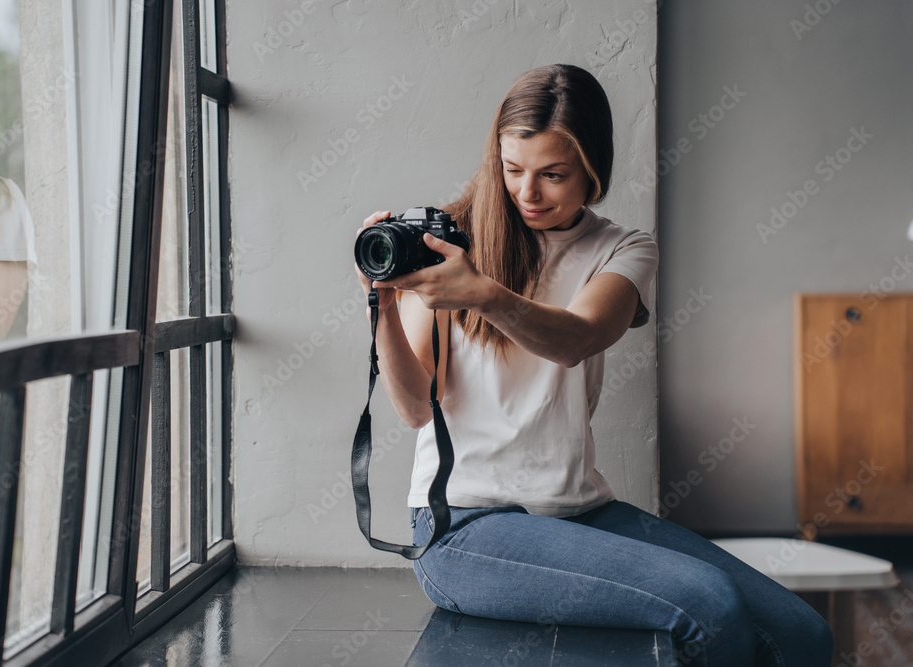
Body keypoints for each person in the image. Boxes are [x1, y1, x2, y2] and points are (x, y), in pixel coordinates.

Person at [355, 64, 832, 666]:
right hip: (464, 528)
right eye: (512, 170)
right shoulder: (454, 240)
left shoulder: (623, 249)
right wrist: (384, 307)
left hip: (579, 511)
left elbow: (576, 338)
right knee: (707, 604)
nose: (528, 193)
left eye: (553, 175)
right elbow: (413, 406)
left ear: (593, 171)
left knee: (804, 634)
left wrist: (483, 295)